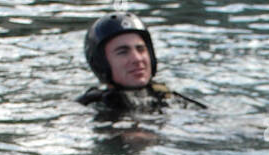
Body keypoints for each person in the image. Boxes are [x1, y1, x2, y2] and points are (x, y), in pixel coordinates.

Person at [76, 12, 205, 116]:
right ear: (100, 63)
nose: (137, 59)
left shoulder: (171, 100)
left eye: (141, 49)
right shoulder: (89, 110)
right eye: (123, 52)